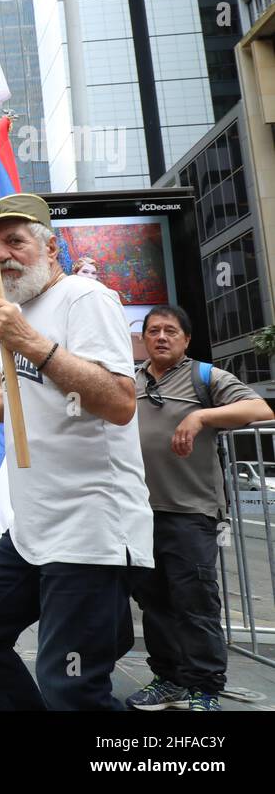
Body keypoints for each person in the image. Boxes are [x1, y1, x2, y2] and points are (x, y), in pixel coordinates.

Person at [0, 194, 153, 710]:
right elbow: (17, 405)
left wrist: (30, 342)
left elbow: (118, 402)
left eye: (15, 241)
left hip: (90, 530)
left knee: (70, 686)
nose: (3, 255)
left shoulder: (83, 297)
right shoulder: (18, 314)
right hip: (34, 531)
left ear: (52, 248)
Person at [126, 304, 272, 711]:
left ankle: (204, 688)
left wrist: (202, 417)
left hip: (191, 511)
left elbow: (261, 409)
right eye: (153, 330)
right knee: (154, 604)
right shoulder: (130, 381)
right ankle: (167, 679)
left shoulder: (205, 377)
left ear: (186, 339)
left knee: (195, 603)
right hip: (140, 512)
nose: (160, 337)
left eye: (170, 331)